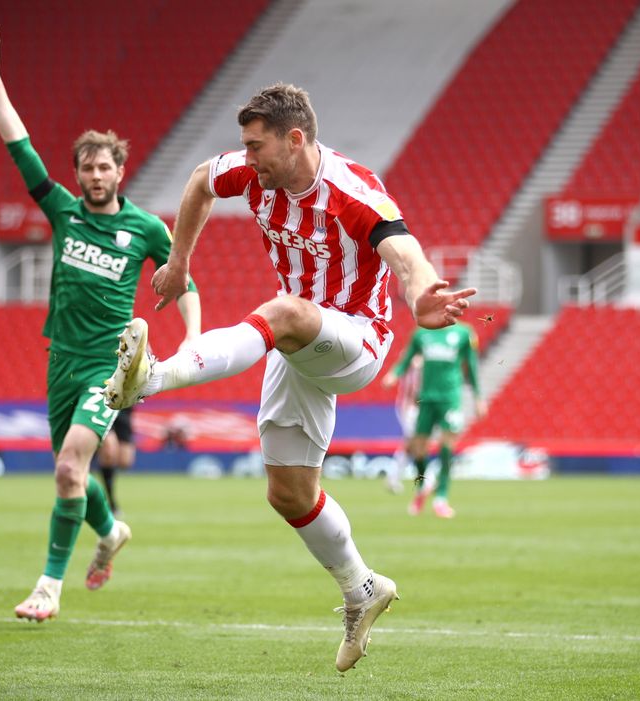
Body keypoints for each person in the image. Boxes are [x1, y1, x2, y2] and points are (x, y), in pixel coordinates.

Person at [103, 83, 476, 672]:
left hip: (359, 339)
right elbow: (201, 180)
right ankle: (361, 587)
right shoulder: (252, 174)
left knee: (282, 309)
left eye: (255, 146)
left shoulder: (353, 190)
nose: (246, 158)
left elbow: (402, 249)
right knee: (288, 493)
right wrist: (178, 262)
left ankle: (149, 378)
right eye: (244, 146)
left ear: (294, 138)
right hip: (298, 343)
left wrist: (420, 291)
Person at [0, 26, 201, 623]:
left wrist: (195, 339)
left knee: (72, 467)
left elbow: (185, 283)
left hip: (108, 365)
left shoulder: (148, 228)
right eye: (86, 168)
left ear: (120, 170)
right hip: (61, 361)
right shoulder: (64, 213)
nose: (95, 176)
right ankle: (111, 530)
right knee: (69, 475)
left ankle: (48, 587)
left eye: (104, 167)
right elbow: (19, 146)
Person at [381, 323, 486, 518]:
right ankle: (422, 487)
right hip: (426, 398)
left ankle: (442, 498)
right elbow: (407, 359)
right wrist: (394, 374)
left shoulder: (464, 334)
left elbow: (471, 364)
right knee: (418, 448)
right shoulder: (422, 334)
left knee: (447, 445)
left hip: (450, 398)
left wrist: (478, 396)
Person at [386, 355, 423, 495]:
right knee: (415, 442)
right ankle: (425, 479)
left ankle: (393, 477)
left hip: (417, 408)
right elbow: (403, 366)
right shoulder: (414, 357)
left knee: (411, 445)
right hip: (408, 408)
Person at [95, 407, 135, 516]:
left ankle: (94, 451)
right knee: (109, 451)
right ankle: (110, 502)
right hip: (104, 406)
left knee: (125, 461)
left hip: (124, 407)